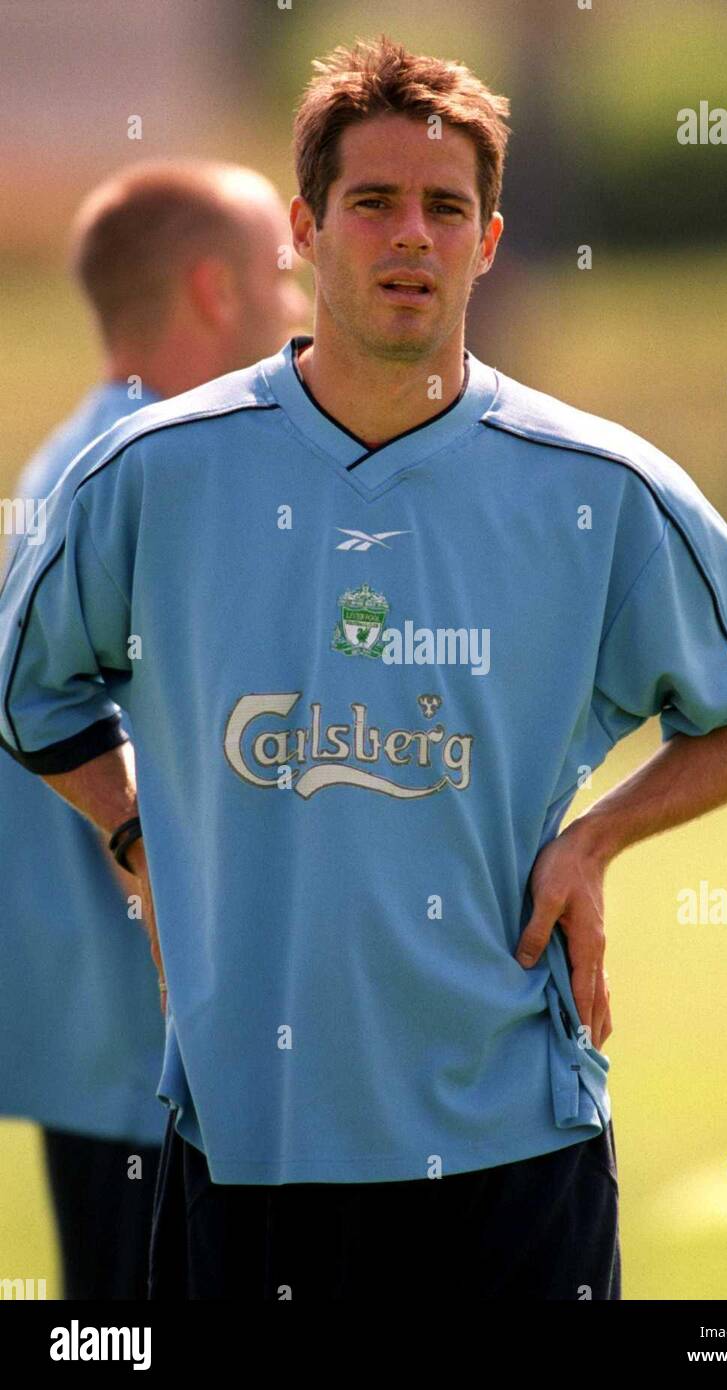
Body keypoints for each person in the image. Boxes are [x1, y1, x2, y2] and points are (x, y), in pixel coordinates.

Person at [0, 39, 727, 1302]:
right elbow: (30, 689)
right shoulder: (150, 477)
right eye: (373, 202)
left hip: (513, 1148)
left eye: (445, 207)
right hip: (246, 1139)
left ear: (488, 240)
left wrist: (594, 839)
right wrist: (134, 836)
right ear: (302, 228)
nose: (411, 236)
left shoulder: (598, 487)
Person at [0, 158, 309, 1299]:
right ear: (212, 294)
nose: (296, 310)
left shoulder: (92, 456)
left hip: (121, 1048)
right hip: (154, 1054)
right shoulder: (143, 474)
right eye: (278, 283)